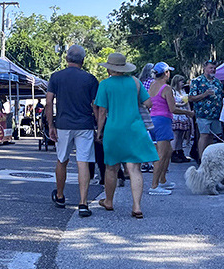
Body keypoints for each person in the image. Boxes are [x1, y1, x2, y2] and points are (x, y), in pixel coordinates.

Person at [95, 53, 158, 219]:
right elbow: (148, 103)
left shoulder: (105, 84)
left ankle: (108, 201)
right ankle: (137, 206)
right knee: (134, 168)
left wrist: (99, 131)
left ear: (110, 68)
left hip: (114, 129)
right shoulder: (135, 82)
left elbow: (102, 111)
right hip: (134, 128)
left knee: (111, 167)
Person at [45, 45, 99, 217]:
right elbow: (95, 105)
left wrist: (50, 125)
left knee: (62, 159)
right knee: (83, 162)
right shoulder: (90, 79)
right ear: (83, 60)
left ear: (67, 59)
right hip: (84, 124)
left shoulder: (56, 77)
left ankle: (60, 196)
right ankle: (83, 203)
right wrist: (99, 127)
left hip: (63, 124)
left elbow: (48, 102)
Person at [148, 62, 194, 195]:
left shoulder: (152, 85)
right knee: (161, 155)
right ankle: (154, 185)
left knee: (168, 151)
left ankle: (162, 179)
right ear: (166, 73)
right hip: (163, 121)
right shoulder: (166, 88)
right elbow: (172, 108)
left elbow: (151, 102)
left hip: (153, 119)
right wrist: (187, 112)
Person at [189, 61, 224, 159]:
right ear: (205, 68)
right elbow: (191, 98)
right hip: (203, 114)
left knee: (211, 137)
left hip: (216, 114)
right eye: (210, 68)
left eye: (214, 68)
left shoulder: (218, 82)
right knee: (204, 135)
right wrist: (204, 94)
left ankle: (210, 158)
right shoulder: (197, 81)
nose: (213, 70)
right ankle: (202, 159)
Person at [138, 63, 155, 174]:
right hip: (149, 113)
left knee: (142, 138)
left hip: (139, 113)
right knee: (152, 139)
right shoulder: (152, 83)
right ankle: (151, 162)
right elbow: (149, 101)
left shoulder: (139, 82)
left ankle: (144, 162)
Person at [170, 75, 192, 162]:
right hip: (176, 114)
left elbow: (187, 103)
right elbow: (172, 103)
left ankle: (180, 151)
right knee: (175, 134)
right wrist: (181, 104)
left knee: (181, 135)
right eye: (181, 82)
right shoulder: (172, 92)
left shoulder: (183, 92)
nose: (182, 83)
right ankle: (173, 153)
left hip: (183, 114)